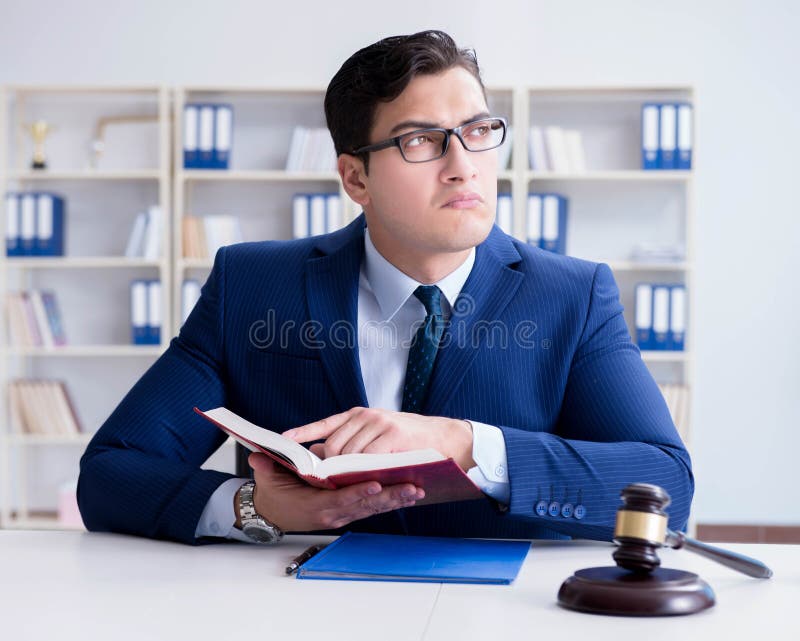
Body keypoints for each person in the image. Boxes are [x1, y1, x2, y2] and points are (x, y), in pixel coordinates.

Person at [78, 30, 693, 545]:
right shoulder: (254, 285)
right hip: (303, 612)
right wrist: (256, 506)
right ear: (355, 178)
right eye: (420, 140)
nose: (463, 164)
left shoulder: (574, 296)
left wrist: (465, 444)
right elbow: (110, 474)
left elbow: (666, 484)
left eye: (478, 131)